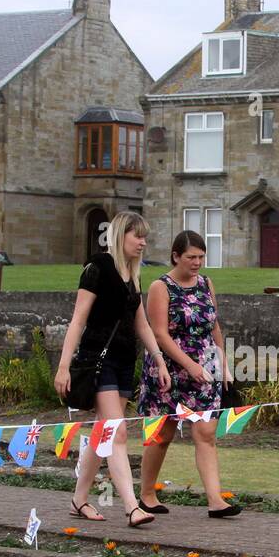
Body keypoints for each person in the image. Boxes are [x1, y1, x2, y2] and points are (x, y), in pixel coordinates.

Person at [54, 211, 170, 528]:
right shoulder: (97, 268)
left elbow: (141, 322)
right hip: (98, 358)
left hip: (123, 359)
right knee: (116, 431)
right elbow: (78, 320)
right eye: (138, 236)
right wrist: (64, 366)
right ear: (121, 236)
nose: (143, 243)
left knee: (102, 429)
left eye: (145, 236)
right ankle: (132, 507)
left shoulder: (133, 274)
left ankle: (79, 499)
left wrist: (159, 359)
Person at [136, 230, 242, 519]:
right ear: (176, 256)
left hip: (205, 369)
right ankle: (146, 493)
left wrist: (222, 362)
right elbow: (159, 333)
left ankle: (215, 501)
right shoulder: (161, 286)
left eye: (201, 257)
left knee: (206, 432)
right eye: (190, 257)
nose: (197, 262)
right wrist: (188, 365)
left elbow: (213, 325)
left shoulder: (206, 283)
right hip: (168, 369)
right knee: (162, 434)